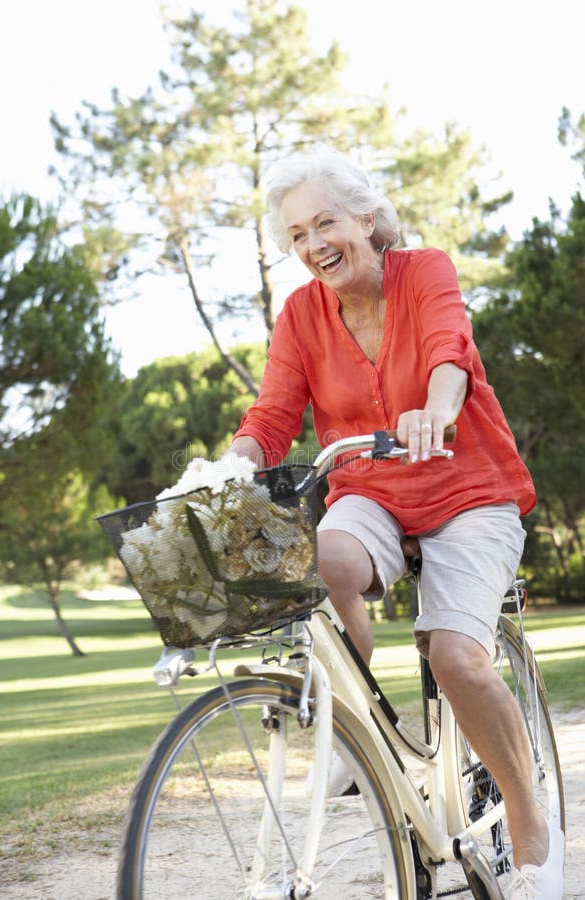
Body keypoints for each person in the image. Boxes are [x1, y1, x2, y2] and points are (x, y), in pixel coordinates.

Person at [229, 144, 563, 899]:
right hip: (371, 489)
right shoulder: (300, 315)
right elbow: (275, 412)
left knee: (456, 656)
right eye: (297, 235)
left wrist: (435, 414)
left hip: (468, 488)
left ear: (366, 217)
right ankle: (354, 720)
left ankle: (529, 819)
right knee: (325, 556)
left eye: (326, 223)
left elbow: (451, 351)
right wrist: (228, 467)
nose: (315, 245)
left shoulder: (424, 272)